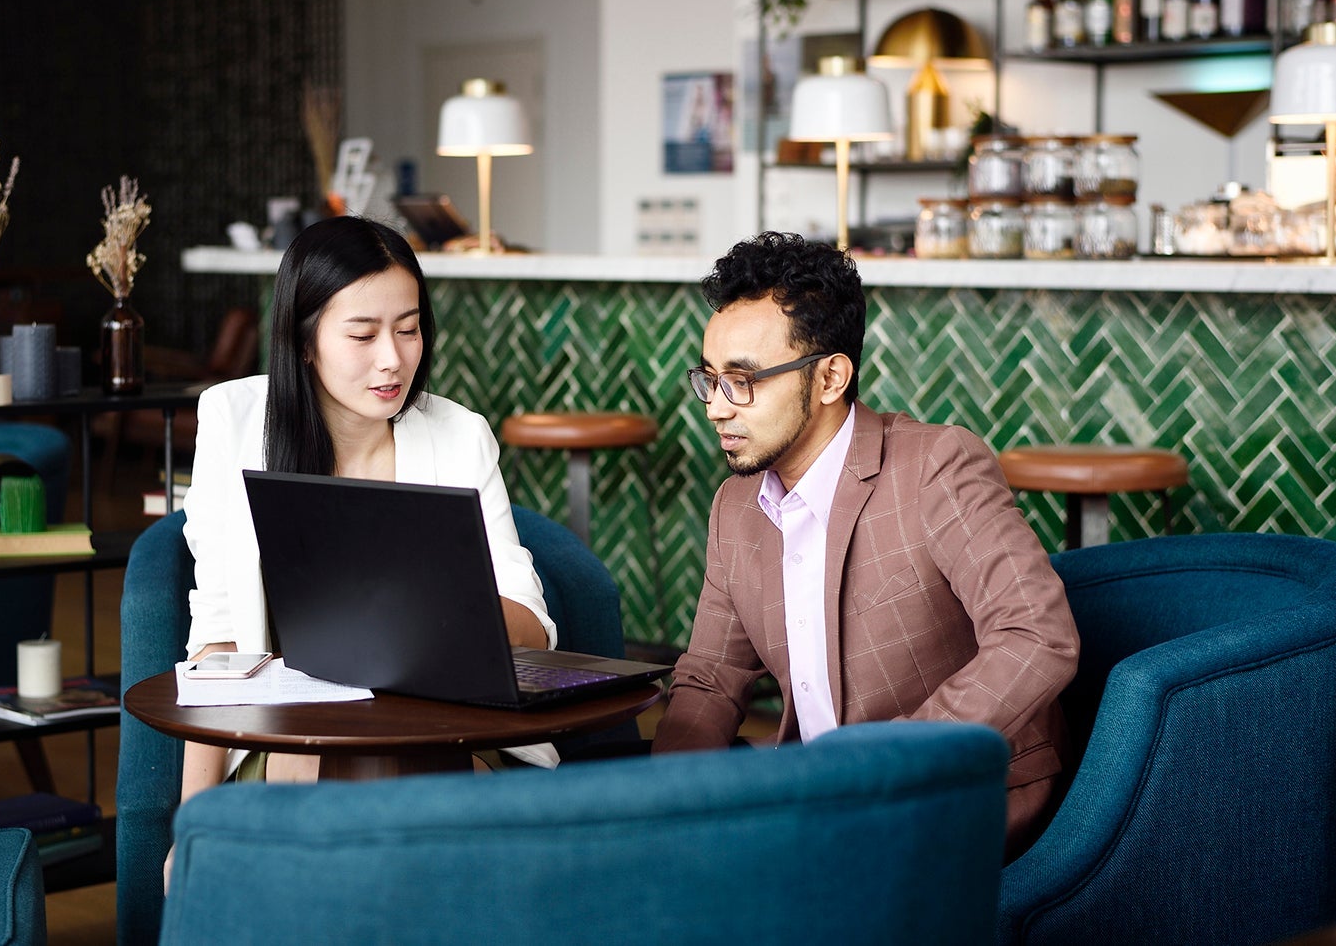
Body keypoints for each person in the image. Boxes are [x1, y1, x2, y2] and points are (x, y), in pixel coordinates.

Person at [652, 231, 1078, 857]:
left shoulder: (935, 466)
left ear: (829, 377)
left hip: (958, 798)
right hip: (824, 806)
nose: (716, 407)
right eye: (709, 378)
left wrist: (881, 764)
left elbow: (1038, 636)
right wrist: (660, 806)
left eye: (742, 380)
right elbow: (714, 677)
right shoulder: (736, 506)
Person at [167, 216, 555, 882]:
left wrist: (443, 608)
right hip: (288, 741)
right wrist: (191, 827)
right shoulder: (233, 425)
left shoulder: (459, 436)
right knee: (326, 770)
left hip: (443, 739)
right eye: (363, 333)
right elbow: (218, 645)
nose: (393, 358)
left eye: (409, 328)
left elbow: (531, 622)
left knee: (396, 785)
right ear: (305, 339)